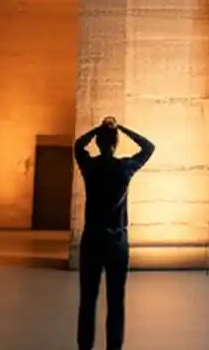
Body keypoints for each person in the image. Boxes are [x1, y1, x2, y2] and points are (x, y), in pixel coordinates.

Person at [73, 116, 155, 350]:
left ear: (98, 143)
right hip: (117, 240)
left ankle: (85, 347)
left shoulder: (90, 167)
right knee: (116, 300)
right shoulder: (124, 168)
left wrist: (99, 128)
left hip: (92, 238)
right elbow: (148, 147)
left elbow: (78, 146)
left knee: (88, 299)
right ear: (116, 143)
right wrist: (121, 128)